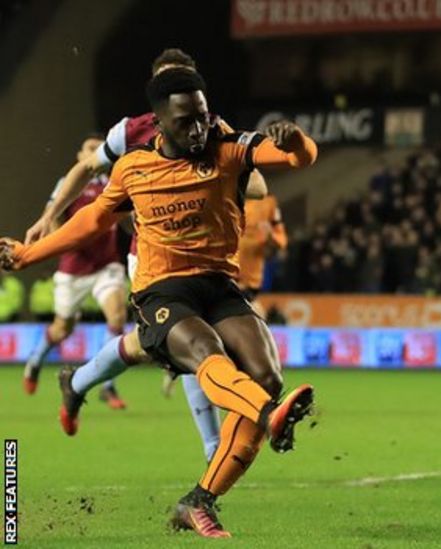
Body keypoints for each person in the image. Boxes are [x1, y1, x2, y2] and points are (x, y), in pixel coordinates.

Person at [1, 68, 319, 537]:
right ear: (160, 123)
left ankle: (197, 501)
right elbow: (92, 221)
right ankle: (267, 413)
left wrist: (294, 139)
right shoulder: (133, 166)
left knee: (268, 376)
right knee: (206, 356)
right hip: (160, 290)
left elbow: (299, 159)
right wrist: (29, 254)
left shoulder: (227, 146)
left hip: (219, 283)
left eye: (204, 117)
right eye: (186, 121)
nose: (199, 129)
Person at [23, 48, 268, 461]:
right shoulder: (130, 132)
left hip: (204, 257)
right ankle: (212, 446)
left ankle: (79, 381)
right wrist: (50, 216)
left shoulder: (211, 130)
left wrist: (217, 177)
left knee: (145, 344)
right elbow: (86, 169)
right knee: (194, 341)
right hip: (152, 254)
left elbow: (258, 185)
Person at [21, 134, 128, 410]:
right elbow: (52, 214)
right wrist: (61, 241)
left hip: (107, 265)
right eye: (90, 148)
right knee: (61, 329)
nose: (96, 152)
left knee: (116, 317)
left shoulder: (115, 180)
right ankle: (34, 362)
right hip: (74, 267)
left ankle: (107, 385)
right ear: (81, 156)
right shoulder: (72, 181)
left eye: (100, 147)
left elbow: (127, 218)